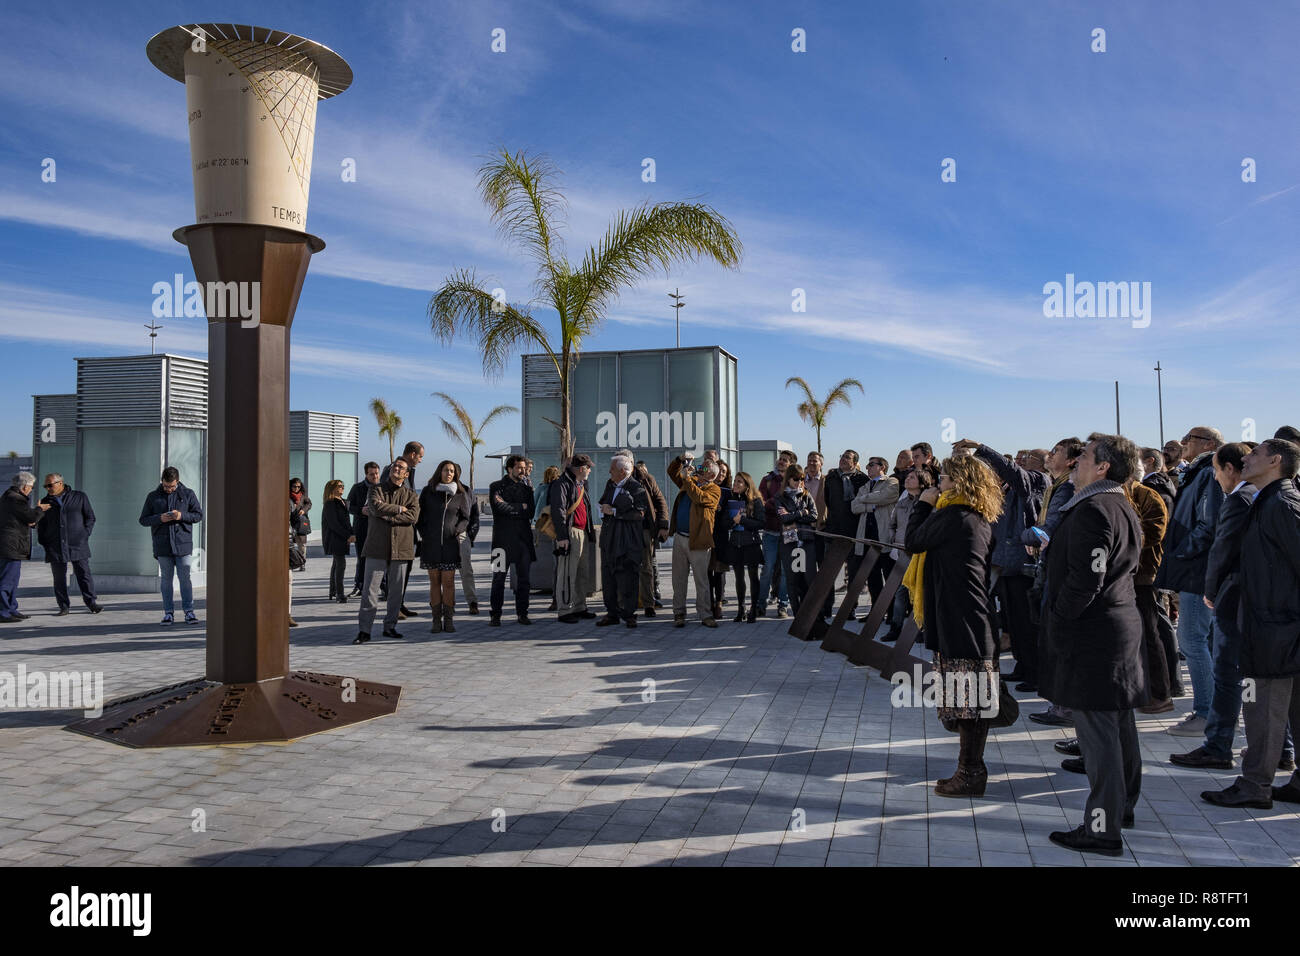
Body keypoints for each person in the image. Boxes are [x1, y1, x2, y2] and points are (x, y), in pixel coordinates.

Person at [1041, 434, 1145, 856]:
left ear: (1102, 467)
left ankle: (1102, 829)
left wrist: (1060, 619)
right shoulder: (1116, 503)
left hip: (1095, 634)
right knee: (1119, 727)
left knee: (1099, 736)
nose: (1076, 462)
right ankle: (1121, 810)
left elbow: (1087, 579)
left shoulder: (1096, 510)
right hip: (1113, 629)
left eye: (1083, 456)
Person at [1203, 438, 1300, 809]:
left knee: (1261, 707)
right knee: (1287, 709)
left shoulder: (1281, 503)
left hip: (1275, 628)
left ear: (1275, 461)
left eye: (1255, 453)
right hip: (1276, 623)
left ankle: (1254, 785)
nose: (1246, 458)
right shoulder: (1270, 500)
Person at [903, 454, 1003, 797]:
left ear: (958, 482)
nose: (938, 483)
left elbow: (913, 541)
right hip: (969, 615)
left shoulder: (953, 515)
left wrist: (922, 505)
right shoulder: (977, 516)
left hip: (963, 618)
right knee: (968, 698)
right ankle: (968, 769)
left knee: (971, 701)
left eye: (944, 478)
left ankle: (972, 772)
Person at [1170, 443, 1256, 769]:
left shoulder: (1236, 496)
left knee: (1207, 651)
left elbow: (1216, 537)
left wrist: (1179, 556)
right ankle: (1275, 749)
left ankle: (1213, 730)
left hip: (1216, 585)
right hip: (1223, 586)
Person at [959, 438, 1049, 691]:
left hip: (1021, 562)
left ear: (1042, 464)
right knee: (1012, 620)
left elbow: (1012, 472)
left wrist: (981, 447)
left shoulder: (1038, 481)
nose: (1020, 461)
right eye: (1018, 456)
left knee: (1025, 620)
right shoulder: (1010, 485)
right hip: (1004, 561)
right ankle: (1022, 665)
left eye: (1027, 456)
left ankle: (1034, 671)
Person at [1156, 426, 1225, 738]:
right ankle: (1211, 711)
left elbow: (1208, 524)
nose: (1182, 444)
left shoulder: (1209, 472)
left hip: (1199, 571)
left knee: (1192, 641)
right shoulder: (1198, 471)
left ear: (1208, 444)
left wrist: (1181, 554)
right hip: (1197, 568)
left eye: (1189, 439)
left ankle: (1206, 713)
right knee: (1203, 642)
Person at [355, 458, 419, 644]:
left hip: (401, 549)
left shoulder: (411, 495)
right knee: (370, 592)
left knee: (396, 593)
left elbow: (413, 516)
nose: (396, 469)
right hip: (377, 548)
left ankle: (390, 627)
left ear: (406, 474)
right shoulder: (376, 489)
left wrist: (389, 518)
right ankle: (364, 630)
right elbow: (375, 507)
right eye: (394, 466)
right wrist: (399, 509)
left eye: (401, 468)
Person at [1126, 467, 1172, 716]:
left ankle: (1160, 693)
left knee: (1149, 635)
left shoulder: (1147, 495)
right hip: (1126, 576)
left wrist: (1121, 538)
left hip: (1143, 575)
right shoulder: (1122, 493)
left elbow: (1154, 533)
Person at [139, 466, 203, 625]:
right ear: (162, 482)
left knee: (184, 579)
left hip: (183, 545)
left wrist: (181, 516)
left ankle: (189, 611)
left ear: (178, 481)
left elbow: (198, 515)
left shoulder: (188, 494)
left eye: (172, 486)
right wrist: (160, 518)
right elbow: (143, 520)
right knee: (166, 580)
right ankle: (168, 613)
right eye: (166, 486)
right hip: (163, 545)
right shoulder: (153, 496)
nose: (169, 489)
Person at [417, 460, 473, 634]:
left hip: (450, 544)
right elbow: (419, 516)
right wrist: (425, 534)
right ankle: (435, 620)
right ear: (439, 472)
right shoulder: (428, 492)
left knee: (448, 582)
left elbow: (465, 517)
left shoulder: (461, 494)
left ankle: (448, 620)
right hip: (431, 545)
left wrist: (458, 530)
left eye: (452, 471)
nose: (449, 473)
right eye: (446, 470)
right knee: (434, 582)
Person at [596, 455, 650, 628]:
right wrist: (603, 508)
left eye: (612, 469)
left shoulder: (637, 488)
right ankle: (612, 612)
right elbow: (604, 501)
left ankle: (629, 614)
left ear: (622, 471)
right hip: (609, 539)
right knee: (608, 577)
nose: (609, 471)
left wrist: (614, 512)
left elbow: (639, 514)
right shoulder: (610, 484)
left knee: (628, 578)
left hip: (627, 541)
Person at [668, 453, 722, 627]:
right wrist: (680, 461)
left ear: (712, 475)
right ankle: (679, 613)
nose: (700, 469)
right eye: (700, 466)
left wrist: (688, 479)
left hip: (699, 541)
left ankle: (705, 614)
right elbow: (672, 473)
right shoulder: (690, 483)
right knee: (678, 579)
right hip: (680, 537)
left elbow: (698, 497)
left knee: (701, 580)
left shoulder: (714, 490)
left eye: (704, 468)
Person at [36, 473, 101, 615]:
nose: (48, 488)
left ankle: (91, 603)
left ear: (60, 483)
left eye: (50, 485)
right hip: (55, 545)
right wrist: (45, 543)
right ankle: (63, 606)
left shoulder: (79, 496)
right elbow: (41, 526)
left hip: (78, 543)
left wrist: (85, 534)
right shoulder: (46, 503)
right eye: (45, 486)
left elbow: (90, 517)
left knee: (84, 573)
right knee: (59, 577)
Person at [882, 467, 932, 642]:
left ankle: (922, 629)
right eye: (908, 477)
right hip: (902, 553)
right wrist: (893, 540)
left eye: (912, 477)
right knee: (900, 592)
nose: (907, 479)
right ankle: (895, 628)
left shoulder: (929, 503)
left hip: (922, 555)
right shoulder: (902, 502)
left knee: (921, 592)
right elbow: (892, 524)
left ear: (922, 482)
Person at [851, 456, 901, 624]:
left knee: (889, 576)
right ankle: (877, 612)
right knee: (872, 578)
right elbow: (854, 506)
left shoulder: (891, 481)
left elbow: (886, 497)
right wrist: (871, 505)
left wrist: (864, 499)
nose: (868, 467)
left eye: (872, 464)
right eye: (867, 465)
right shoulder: (865, 485)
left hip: (884, 539)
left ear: (882, 467)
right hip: (867, 539)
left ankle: (893, 613)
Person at [489, 454, 536, 627]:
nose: (523, 471)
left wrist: (512, 508)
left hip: (523, 541)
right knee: (498, 579)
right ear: (509, 469)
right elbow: (498, 507)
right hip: (500, 542)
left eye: (524, 468)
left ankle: (522, 614)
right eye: (519, 468)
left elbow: (530, 511)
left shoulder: (527, 489)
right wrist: (519, 508)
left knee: (524, 580)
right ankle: (495, 615)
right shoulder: (496, 487)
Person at [381, 441, 425, 618]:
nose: (421, 460)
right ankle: (394, 608)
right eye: (421, 456)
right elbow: (387, 501)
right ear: (413, 454)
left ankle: (399, 603)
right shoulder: (393, 470)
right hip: (395, 531)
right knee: (395, 572)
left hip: (408, 531)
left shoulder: (409, 473)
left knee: (404, 571)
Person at [551, 454, 596, 623]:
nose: (590, 470)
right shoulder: (561, 484)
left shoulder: (581, 484)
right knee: (567, 573)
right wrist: (562, 537)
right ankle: (564, 610)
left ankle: (579, 606)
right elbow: (558, 511)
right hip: (570, 533)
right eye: (588, 467)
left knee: (581, 573)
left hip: (582, 532)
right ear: (581, 468)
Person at [0, 473, 48, 624]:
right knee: (7, 581)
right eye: (31, 488)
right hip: (10, 546)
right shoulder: (16, 499)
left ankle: (11, 609)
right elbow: (31, 517)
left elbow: (21, 519)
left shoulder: (9, 497)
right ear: (25, 486)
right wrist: (40, 509)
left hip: (13, 546)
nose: (31, 490)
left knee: (13, 581)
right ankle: (3, 612)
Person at [824, 449, 869, 607]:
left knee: (854, 573)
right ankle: (827, 606)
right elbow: (827, 501)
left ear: (855, 462)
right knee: (829, 572)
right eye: (842, 456)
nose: (843, 459)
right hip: (834, 530)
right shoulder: (831, 477)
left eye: (847, 457)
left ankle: (850, 607)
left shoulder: (862, 479)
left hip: (855, 531)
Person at [773, 464, 820, 615]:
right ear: (788, 479)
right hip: (790, 542)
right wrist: (801, 512)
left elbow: (814, 515)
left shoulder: (806, 495)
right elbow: (783, 518)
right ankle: (797, 612)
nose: (799, 482)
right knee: (792, 579)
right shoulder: (779, 497)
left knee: (809, 577)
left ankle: (810, 611)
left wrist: (793, 514)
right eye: (796, 479)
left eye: (802, 479)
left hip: (806, 541)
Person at [757, 450, 798, 617]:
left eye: (785, 460)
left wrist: (782, 507)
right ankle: (760, 604)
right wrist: (779, 505)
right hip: (770, 532)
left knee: (785, 570)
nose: (781, 461)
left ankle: (783, 605)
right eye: (780, 459)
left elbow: (796, 504)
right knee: (768, 568)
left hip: (789, 532)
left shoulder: (795, 481)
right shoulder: (767, 480)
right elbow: (761, 503)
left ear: (791, 464)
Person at [727, 471, 766, 623]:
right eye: (735, 481)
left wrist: (742, 520)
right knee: (738, 577)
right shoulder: (730, 500)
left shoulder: (755, 501)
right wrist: (732, 522)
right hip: (735, 543)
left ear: (747, 485)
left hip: (751, 543)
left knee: (752, 576)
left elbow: (761, 523)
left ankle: (753, 609)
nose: (735, 484)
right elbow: (725, 522)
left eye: (739, 482)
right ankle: (741, 609)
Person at [632, 460, 669, 617]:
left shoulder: (646, 478)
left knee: (646, 567)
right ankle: (627, 602)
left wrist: (663, 525)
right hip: (624, 529)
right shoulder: (614, 481)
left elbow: (661, 502)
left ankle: (649, 603)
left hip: (645, 529)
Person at [346, 462, 381, 597]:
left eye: (376, 473)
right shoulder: (357, 488)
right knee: (362, 559)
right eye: (372, 474)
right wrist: (361, 510)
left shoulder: (383, 487)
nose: (375, 476)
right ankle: (359, 586)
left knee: (380, 560)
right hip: (361, 529)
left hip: (379, 529)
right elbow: (348, 506)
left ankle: (383, 587)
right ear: (366, 474)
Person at [708, 458, 734, 621]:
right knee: (706, 572)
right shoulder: (705, 487)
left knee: (719, 572)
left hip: (721, 536)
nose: (720, 475)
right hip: (706, 535)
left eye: (724, 472)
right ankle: (709, 602)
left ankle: (718, 602)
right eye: (718, 471)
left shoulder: (729, 492)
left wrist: (721, 510)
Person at [321, 479, 355, 604]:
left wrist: (352, 533)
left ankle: (333, 591)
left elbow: (346, 521)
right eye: (339, 486)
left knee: (336, 564)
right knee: (341, 564)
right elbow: (333, 524)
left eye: (343, 485)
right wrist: (348, 535)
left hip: (342, 537)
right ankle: (339, 594)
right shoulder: (330, 503)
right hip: (335, 538)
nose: (342, 488)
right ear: (332, 488)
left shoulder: (343, 502)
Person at [461, 486, 481, 616]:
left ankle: (472, 602)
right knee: (442, 574)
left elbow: (475, 515)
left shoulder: (467, 491)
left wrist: (470, 535)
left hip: (462, 536)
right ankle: (443, 603)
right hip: (441, 537)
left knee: (466, 570)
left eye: (453, 471)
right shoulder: (434, 489)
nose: (450, 473)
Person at [289, 477, 312, 571]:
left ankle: (302, 563)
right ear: (290, 486)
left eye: (298, 486)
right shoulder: (287, 496)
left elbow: (309, 504)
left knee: (302, 545)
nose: (296, 488)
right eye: (294, 486)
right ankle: (292, 562)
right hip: (290, 523)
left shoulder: (303, 496)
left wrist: (303, 510)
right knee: (290, 544)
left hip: (301, 523)